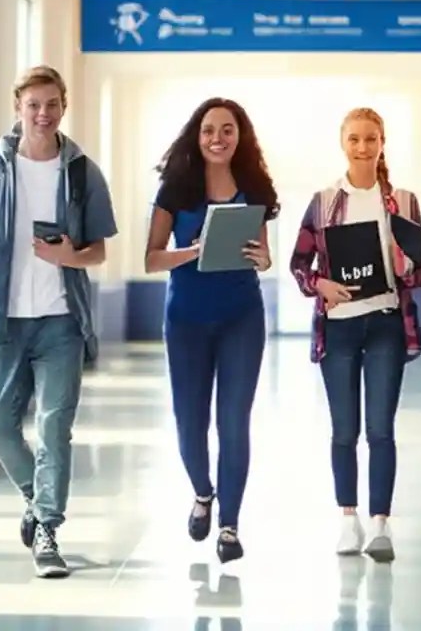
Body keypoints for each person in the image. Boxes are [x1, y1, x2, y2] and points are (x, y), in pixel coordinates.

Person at [0, 65, 119, 579]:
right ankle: (35, 498)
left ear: (64, 106)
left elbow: (100, 253)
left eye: (52, 104)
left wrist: (70, 256)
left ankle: (48, 529)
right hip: (6, 319)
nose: (43, 114)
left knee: (54, 428)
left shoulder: (83, 171)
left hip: (62, 322)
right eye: (33, 105)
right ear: (18, 108)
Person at [289, 107, 421, 562]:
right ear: (343, 143)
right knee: (344, 430)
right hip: (340, 328)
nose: (363, 147)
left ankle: (380, 525)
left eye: (371, 139)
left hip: (388, 322)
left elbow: (420, 271)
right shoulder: (324, 202)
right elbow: (298, 263)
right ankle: (347, 520)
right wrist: (320, 285)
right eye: (354, 139)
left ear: (382, 143)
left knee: (381, 430)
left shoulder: (404, 202)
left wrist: (400, 259)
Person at [144, 97, 278, 564]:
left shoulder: (255, 187)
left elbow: (263, 254)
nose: (217, 139)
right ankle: (203, 493)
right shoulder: (175, 188)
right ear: (196, 136)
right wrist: (193, 252)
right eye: (208, 131)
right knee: (190, 422)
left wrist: (264, 259)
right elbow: (152, 257)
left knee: (234, 421)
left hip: (242, 313)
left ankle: (230, 526)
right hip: (186, 319)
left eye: (227, 130)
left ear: (240, 136)